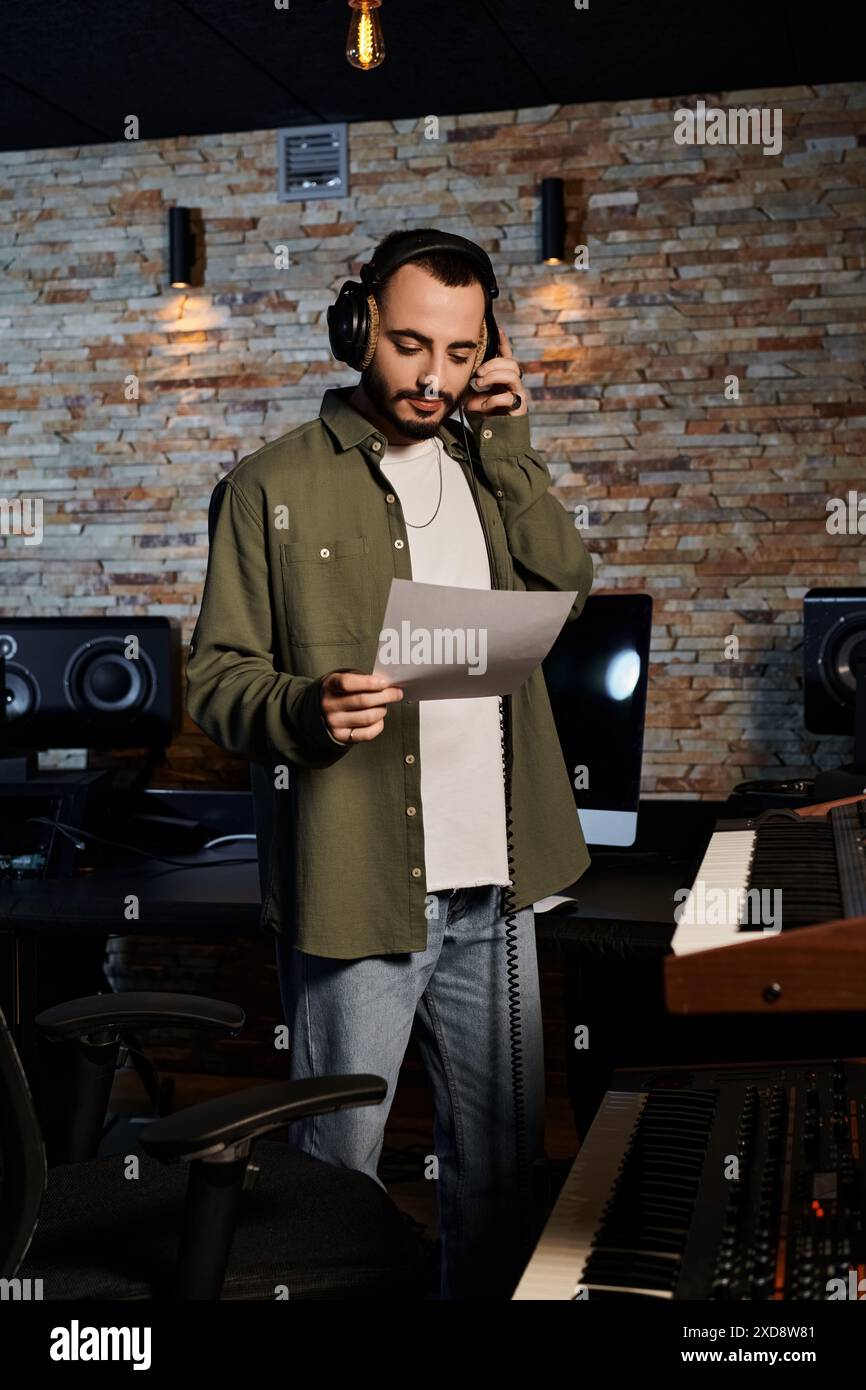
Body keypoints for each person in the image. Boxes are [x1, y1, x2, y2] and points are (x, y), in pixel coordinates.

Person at [186, 228, 594, 1299]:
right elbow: (216, 681)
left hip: (495, 884)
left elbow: (566, 579)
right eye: (410, 344)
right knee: (333, 1180)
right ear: (356, 320)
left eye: (460, 354)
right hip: (357, 887)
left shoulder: (485, 469)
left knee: (501, 1173)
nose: (432, 376)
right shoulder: (265, 486)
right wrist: (305, 705)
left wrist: (508, 441)